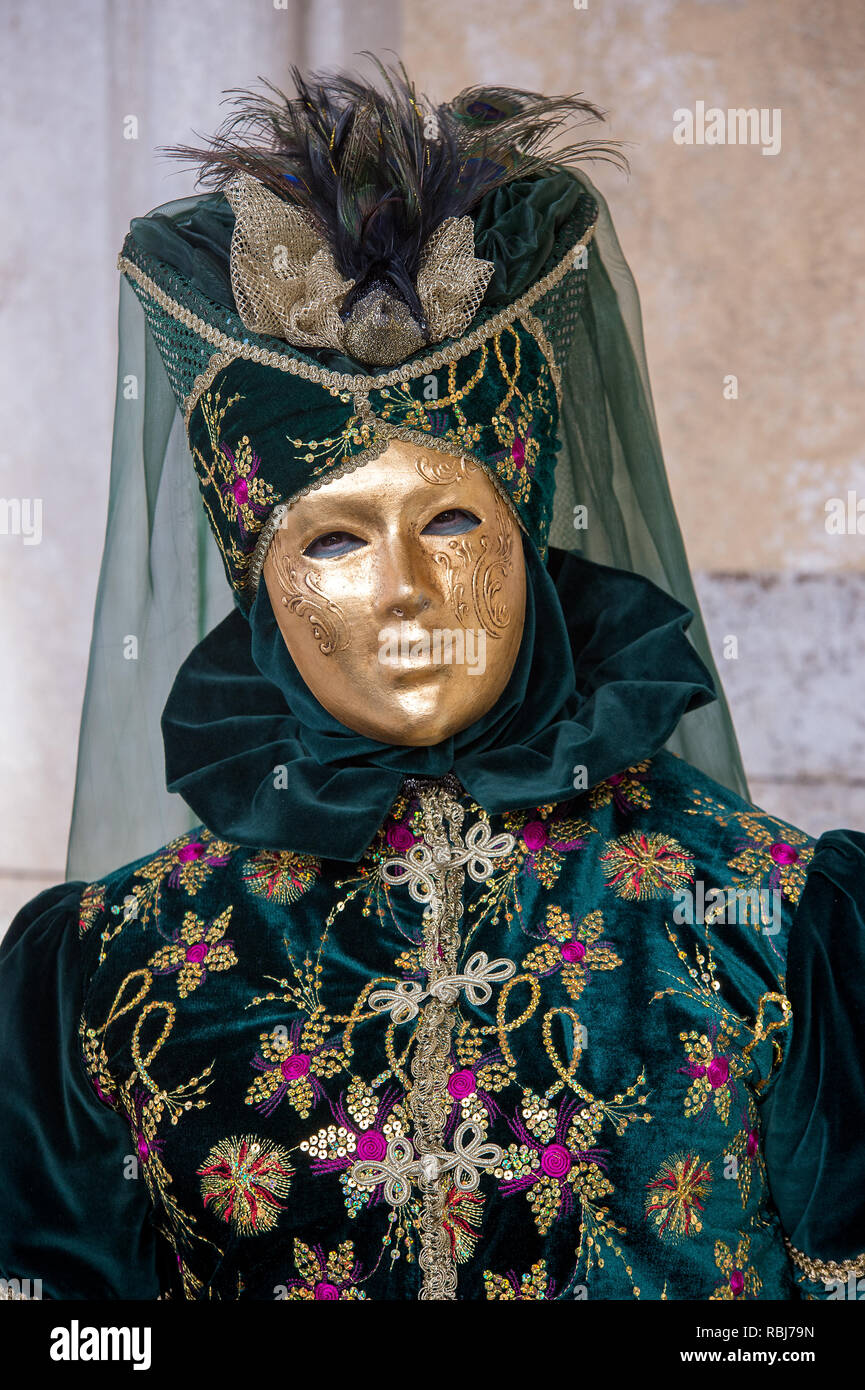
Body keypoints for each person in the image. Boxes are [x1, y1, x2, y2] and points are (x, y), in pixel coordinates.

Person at [1, 58, 862, 1303]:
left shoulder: (778, 924)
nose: (404, 587)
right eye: (336, 541)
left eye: (452, 523)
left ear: (528, 537)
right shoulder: (106, 965)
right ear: (258, 581)